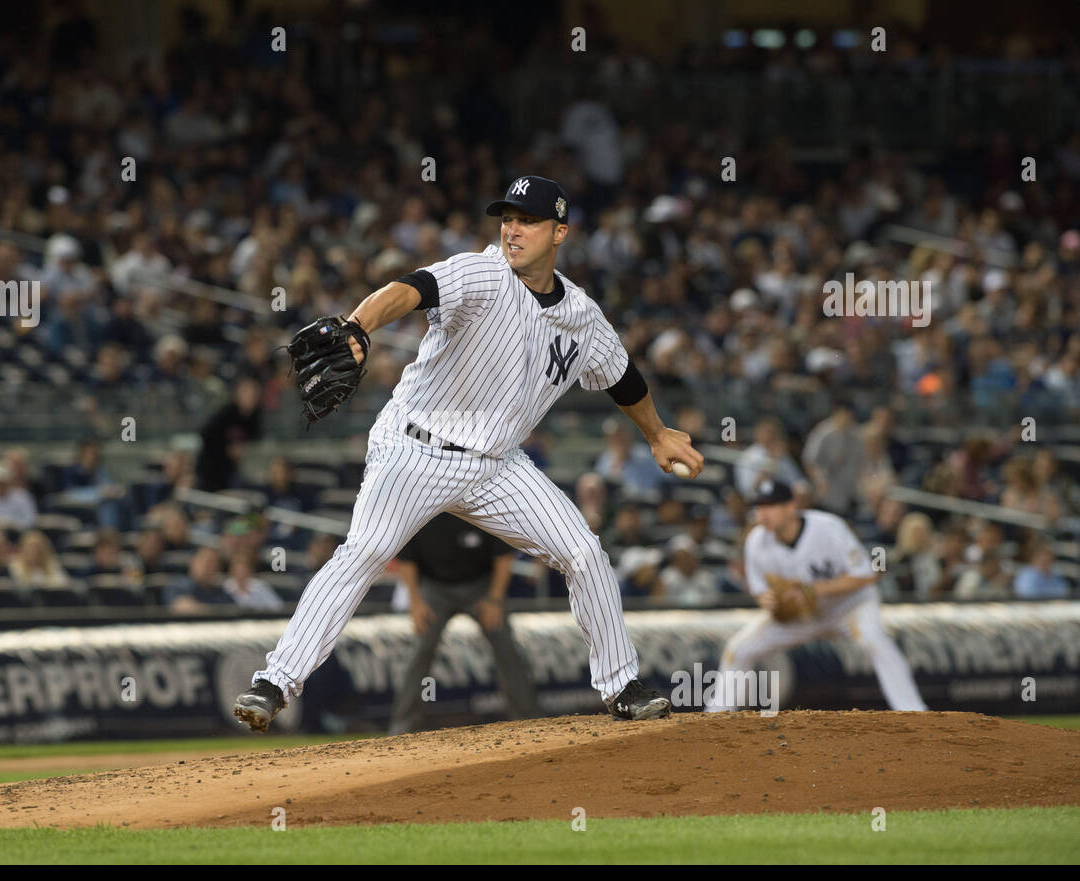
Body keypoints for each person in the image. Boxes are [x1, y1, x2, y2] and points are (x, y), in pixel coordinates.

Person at [234, 175, 704, 731]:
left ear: (559, 233)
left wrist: (655, 433)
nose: (512, 229)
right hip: (414, 448)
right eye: (507, 218)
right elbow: (411, 289)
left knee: (584, 553)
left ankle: (621, 685)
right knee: (363, 552)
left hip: (497, 466)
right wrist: (359, 325)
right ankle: (274, 681)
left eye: (526, 220)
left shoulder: (582, 316)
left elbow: (623, 378)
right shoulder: (481, 272)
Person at [706, 479, 927, 712]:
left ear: (791, 507)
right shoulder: (756, 541)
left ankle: (913, 711)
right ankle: (716, 716)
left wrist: (813, 590)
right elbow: (759, 589)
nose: (763, 513)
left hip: (849, 607)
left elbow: (866, 575)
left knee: (875, 642)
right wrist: (767, 600)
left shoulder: (828, 527)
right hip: (801, 614)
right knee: (739, 648)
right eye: (759, 506)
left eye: (771, 506)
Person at [389, 513, 540, 735]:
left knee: (506, 645)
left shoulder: (479, 509)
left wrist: (495, 599)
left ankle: (528, 720)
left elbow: (503, 556)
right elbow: (407, 560)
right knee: (420, 650)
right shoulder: (421, 512)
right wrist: (415, 602)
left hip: (481, 587)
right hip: (435, 588)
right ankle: (402, 727)